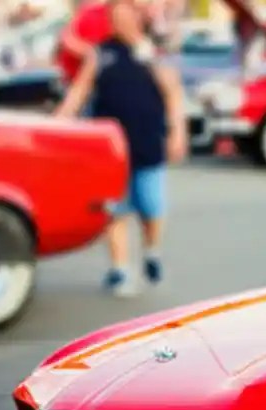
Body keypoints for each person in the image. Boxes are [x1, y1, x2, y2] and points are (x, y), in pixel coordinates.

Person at [55, 0, 188, 297]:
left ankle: (152, 252)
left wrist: (178, 131)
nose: (119, 22)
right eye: (114, 17)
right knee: (116, 211)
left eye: (125, 15)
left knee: (151, 207)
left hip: (148, 141)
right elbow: (79, 91)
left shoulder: (154, 52)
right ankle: (120, 270)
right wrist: (58, 124)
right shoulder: (101, 53)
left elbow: (173, 94)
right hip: (111, 150)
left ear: (137, 18)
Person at [55, 0, 112, 87]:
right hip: (75, 79)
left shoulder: (103, 12)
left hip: (89, 82)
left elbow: (97, 52)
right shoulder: (89, 11)